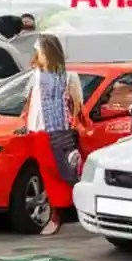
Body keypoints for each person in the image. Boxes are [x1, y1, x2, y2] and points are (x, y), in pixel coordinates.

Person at [20, 34, 83, 235]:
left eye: (39, 50)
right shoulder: (34, 76)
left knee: (65, 172)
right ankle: (58, 212)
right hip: (37, 131)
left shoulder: (69, 77)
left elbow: (77, 108)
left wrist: (73, 123)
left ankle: (70, 210)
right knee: (47, 172)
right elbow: (29, 103)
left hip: (59, 130)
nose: (36, 54)